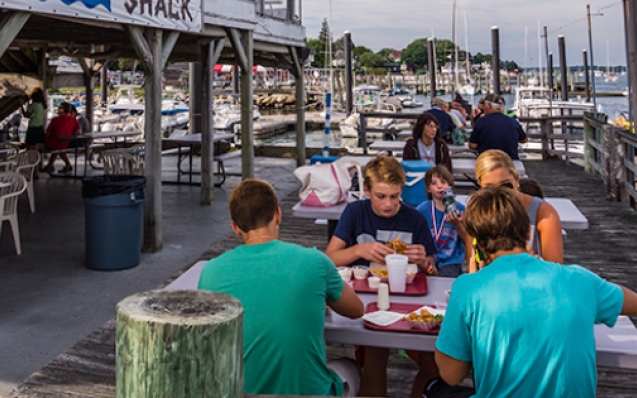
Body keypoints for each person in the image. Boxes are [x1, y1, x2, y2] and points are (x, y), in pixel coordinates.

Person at [425, 184, 637, 398]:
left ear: (478, 243)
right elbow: (634, 304)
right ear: (527, 233)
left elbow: (451, 374)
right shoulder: (580, 279)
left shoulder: (469, 288)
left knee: (435, 388)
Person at [199, 179, 364, 397]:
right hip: (308, 394)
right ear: (278, 214)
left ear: (236, 228)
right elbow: (356, 310)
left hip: (237, 392)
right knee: (353, 368)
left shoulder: (210, 272)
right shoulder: (314, 261)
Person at [325, 155, 438, 398]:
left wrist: (423, 262)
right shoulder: (355, 212)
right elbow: (328, 259)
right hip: (367, 301)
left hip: (410, 303)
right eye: (381, 196)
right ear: (367, 191)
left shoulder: (415, 219)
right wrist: (358, 250)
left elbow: (433, 273)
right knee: (375, 356)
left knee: (434, 366)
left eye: (395, 196)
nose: (388, 204)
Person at [474, 150, 563, 264]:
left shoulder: (543, 213)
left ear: (517, 179)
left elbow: (554, 267)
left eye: (506, 186)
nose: (500, 193)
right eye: (490, 188)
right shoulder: (477, 214)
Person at [416, 166, 468, 277]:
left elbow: (468, 240)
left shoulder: (460, 209)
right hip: (427, 261)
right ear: (428, 189)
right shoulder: (421, 210)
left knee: (443, 277)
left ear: (450, 185)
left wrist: (458, 225)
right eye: (434, 183)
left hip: (451, 262)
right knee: (424, 277)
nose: (439, 186)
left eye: (443, 182)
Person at [467, 93, 527, 160]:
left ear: (489, 105)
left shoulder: (481, 121)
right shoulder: (513, 121)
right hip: (510, 161)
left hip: (488, 160)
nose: (483, 108)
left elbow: (472, 145)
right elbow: (524, 140)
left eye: (485, 105)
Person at [44, 102, 81, 173]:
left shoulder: (55, 120)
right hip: (65, 142)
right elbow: (78, 131)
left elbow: (48, 132)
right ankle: (51, 165)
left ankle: (47, 166)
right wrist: (70, 135)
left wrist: (44, 138)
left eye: (59, 108)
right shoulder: (73, 120)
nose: (57, 109)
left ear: (62, 110)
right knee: (59, 149)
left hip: (53, 142)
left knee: (38, 145)